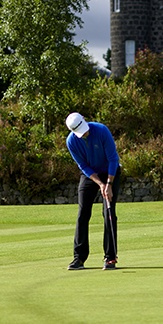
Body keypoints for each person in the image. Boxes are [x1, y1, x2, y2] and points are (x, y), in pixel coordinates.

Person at [64, 112, 121, 271]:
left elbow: (113, 159)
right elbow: (83, 166)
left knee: (108, 211)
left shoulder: (102, 130)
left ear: (84, 120)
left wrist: (108, 184)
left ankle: (110, 258)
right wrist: (99, 184)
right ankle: (79, 258)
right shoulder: (71, 141)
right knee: (83, 213)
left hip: (110, 171)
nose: (85, 133)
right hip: (90, 175)